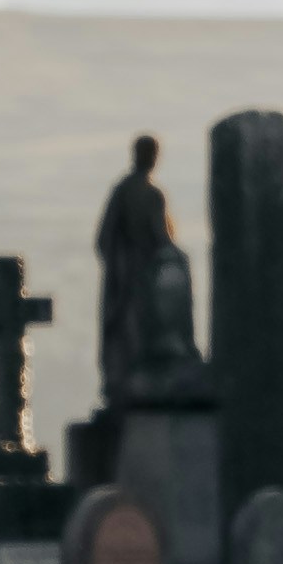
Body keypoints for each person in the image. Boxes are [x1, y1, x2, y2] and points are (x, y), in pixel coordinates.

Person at [91, 134, 173, 419]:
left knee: (137, 332)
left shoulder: (141, 192)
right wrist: (123, 265)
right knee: (131, 332)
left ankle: (132, 383)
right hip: (132, 277)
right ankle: (127, 384)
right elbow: (159, 237)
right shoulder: (138, 193)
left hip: (137, 276)